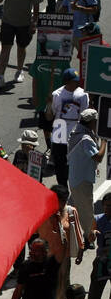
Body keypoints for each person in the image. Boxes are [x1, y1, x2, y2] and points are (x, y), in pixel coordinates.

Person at [0, 0, 42, 88]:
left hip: (24, 23)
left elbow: (36, 5)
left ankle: (19, 70)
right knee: (5, 48)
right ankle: (0, 76)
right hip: (8, 22)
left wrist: (34, 23)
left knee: (21, 47)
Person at [67, 108, 105, 240]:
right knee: (87, 211)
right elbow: (98, 157)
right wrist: (104, 141)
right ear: (90, 122)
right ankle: (90, 236)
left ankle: (73, 234)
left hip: (75, 178)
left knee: (75, 208)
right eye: (96, 121)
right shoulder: (85, 139)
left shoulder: (77, 133)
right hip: (82, 181)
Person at [47, 68, 88, 189]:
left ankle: (76, 186)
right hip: (60, 127)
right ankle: (63, 187)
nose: (76, 83)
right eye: (74, 81)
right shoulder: (57, 95)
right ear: (67, 82)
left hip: (75, 128)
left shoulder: (83, 94)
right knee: (60, 163)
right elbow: (49, 117)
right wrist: (49, 104)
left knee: (75, 162)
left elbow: (85, 114)